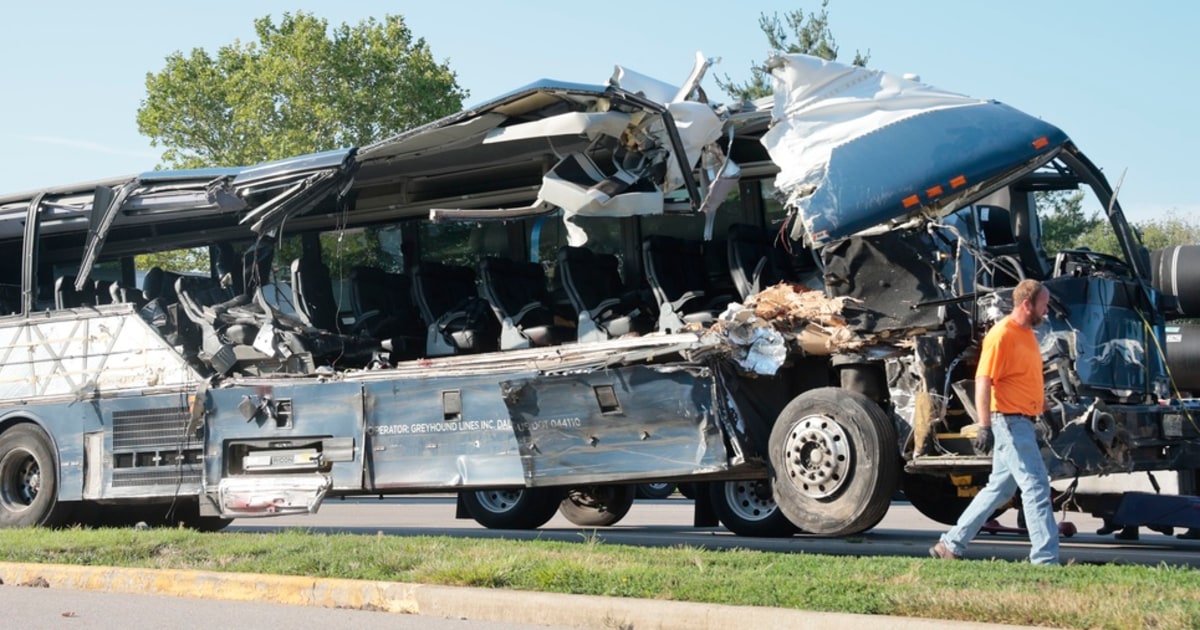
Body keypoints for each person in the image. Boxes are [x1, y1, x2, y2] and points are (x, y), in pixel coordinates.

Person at [930, 278, 1059, 565]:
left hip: (1024, 419)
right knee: (1035, 485)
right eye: (1043, 305)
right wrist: (985, 425)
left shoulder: (1028, 336)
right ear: (1027, 304)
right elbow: (983, 380)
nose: (1046, 311)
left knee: (1000, 489)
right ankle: (1045, 560)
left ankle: (950, 545)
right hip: (1010, 422)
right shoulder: (1001, 335)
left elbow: (1030, 380)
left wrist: (1046, 411)